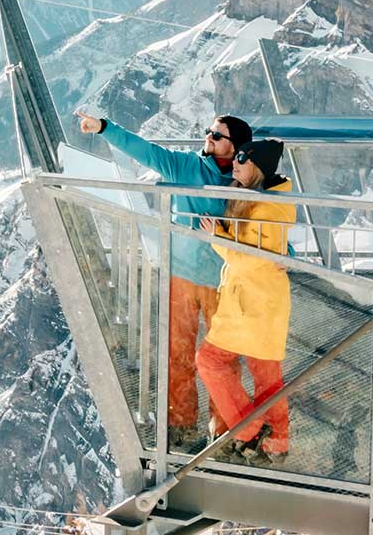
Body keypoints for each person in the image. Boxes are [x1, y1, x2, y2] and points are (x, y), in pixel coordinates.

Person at [73, 110, 256, 451]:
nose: (208, 137)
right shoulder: (186, 166)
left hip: (224, 280)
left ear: (234, 147)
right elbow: (145, 151)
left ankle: (225, 427)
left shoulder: (246, 180)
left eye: (217, 135)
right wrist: (104, 127)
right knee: (177, 352)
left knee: (224, 358)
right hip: (182, 275)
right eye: (209, 131)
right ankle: (181, 423)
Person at [199, 137, 295, 460]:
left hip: (253, 303)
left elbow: (253, 260)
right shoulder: (261, 202)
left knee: (210, 361)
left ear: (258, 167)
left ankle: (250, 431)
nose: (235, 163)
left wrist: (218, 237)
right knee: (266, 375)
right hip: (259, 300)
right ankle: (276, 442)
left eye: (242, 158)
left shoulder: (267, 210)